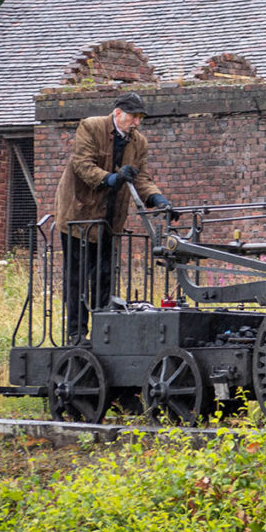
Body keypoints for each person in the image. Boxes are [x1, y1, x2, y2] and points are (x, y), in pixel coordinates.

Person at [54, 91, 173, 343]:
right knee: (77, 277)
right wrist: (111, 178)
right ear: (117, 113)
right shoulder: (90, 127)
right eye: (133, 116)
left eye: (140, 117)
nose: (137, 122)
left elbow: (140, 177)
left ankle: (101, 333)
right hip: (79, 216)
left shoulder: (138, 142)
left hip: (110, 220)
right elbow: (82, 165)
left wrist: (158, 199)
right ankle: (76, 334)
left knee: (104, 277)